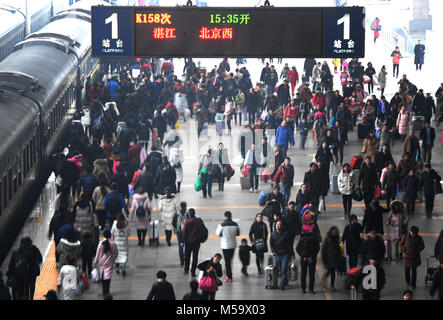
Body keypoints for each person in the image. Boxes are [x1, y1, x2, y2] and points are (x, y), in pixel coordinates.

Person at [215, 211, 240, 282]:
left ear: (225, 216)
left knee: (227, 261)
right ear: (231, 216)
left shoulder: (221, 225)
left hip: (225, 245)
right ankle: (228, 273)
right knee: (230, 260)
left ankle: (229, 276)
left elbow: (218, 234)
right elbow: (238, 234)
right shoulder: (235, 224)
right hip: (233, 245)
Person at [94, 229, 118, 296]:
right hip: (109, 262)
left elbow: (97, 254)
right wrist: (114, 258)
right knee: (108, 276)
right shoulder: (113, 243)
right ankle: (107, 290)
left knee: (102, 276)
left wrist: (95, 262)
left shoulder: (101, 243)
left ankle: (104, 290)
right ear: (110, 235)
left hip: (101, 263)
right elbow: (115, 253)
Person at [296, 228, 321, 294]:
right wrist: (312, 257)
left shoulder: (302, 239)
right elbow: (317, 249)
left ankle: (303, 289)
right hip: (311, 259)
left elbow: (298, 249)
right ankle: (311, 289)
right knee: (311, 274)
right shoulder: (315, 239)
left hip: (304, 259)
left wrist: (303, 256)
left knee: (303, 274)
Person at [181, 208, 203, 277]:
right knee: (195, 257)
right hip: (196, 242)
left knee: (187, 256)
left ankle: (186, 269)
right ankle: (193, 271)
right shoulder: (199, 221)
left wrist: (182, 241)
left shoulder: (187, 222)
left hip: (188, 242)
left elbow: (184, 232)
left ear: (189, 214)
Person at [270, 220, 291, 290]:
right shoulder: (273, 234)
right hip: (277, 255)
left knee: (283, 269)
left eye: (279, 224)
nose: (277, 226)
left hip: (285, 254)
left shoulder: (286, 234)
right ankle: (285, 280)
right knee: (280, 270)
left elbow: (289, 245)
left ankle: (281, 285)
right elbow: (271, 244)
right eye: (276, 225)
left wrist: (292, 254)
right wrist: (273, 251)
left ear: (281, 226)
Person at [321, 226, 342, 292]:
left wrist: (339, 257)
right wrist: (324, 259)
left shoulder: (337, 239)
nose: (334, 233)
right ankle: (324, 280)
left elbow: (338, 250)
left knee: (333, 273)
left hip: (335, 259)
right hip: (328, 258)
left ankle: (332, 285)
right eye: (333, 231)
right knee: (330, 271)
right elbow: (324, 250)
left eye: (335, 232)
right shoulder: (328, 239)